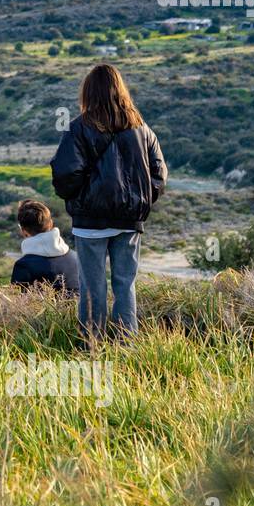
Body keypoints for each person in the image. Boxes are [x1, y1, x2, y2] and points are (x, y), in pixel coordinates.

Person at [50, 64, 167, 336]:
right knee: (125, 285)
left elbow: (65, 174)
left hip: (90, 222)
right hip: (129, 220)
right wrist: (141, 200)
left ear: (89, 93)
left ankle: (92, 346)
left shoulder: (79, 128)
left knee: (92, 287)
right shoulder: (142, 128)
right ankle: (127, 345)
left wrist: (82, 198)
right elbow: (159, 173)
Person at [10, 199, 80, 294]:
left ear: (23, 231)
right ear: (51, 223)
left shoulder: (23, 266)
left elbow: (19, 303)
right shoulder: (76, 258)